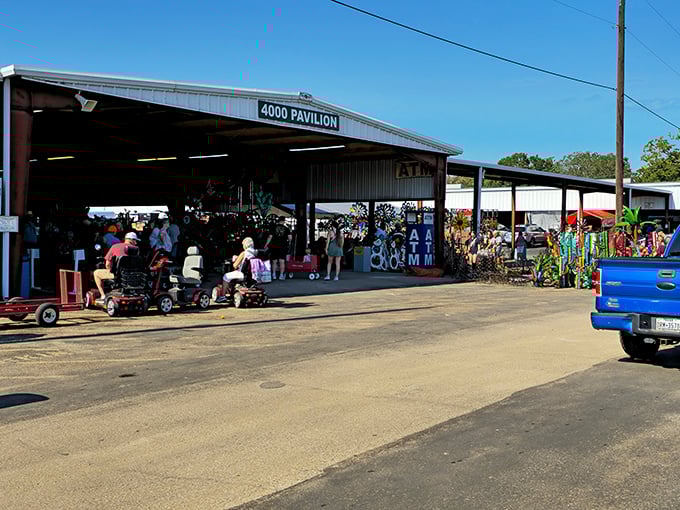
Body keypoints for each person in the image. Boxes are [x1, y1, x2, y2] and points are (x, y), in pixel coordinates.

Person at [93, 232, 140, 303]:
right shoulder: (136, 249)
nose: (136, 243)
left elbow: (107, 264)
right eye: (135, 241)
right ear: (131, 240)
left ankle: (103, 296)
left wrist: (109, 270)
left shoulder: (115, 246)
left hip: (118, 275)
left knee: (96, 273)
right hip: (133, 276)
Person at [216, 237, 257, 303]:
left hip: (242, 274)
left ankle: (222, 296)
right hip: (252, 275)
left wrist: (235, 259)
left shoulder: (244, 253)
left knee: (226, 276)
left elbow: (235, 265)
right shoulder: (255, 253)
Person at [265, 216, 292, 281]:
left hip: (274, 246)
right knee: (282, 261)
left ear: (278, 220)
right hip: (283, 246)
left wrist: (266, 244)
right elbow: (290, 238)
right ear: (284, 221)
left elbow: (270, 237)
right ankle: (281, 275)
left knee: (274, 261)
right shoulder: (286, 228)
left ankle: (273, 275)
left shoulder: (273, 227)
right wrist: (289, 242)